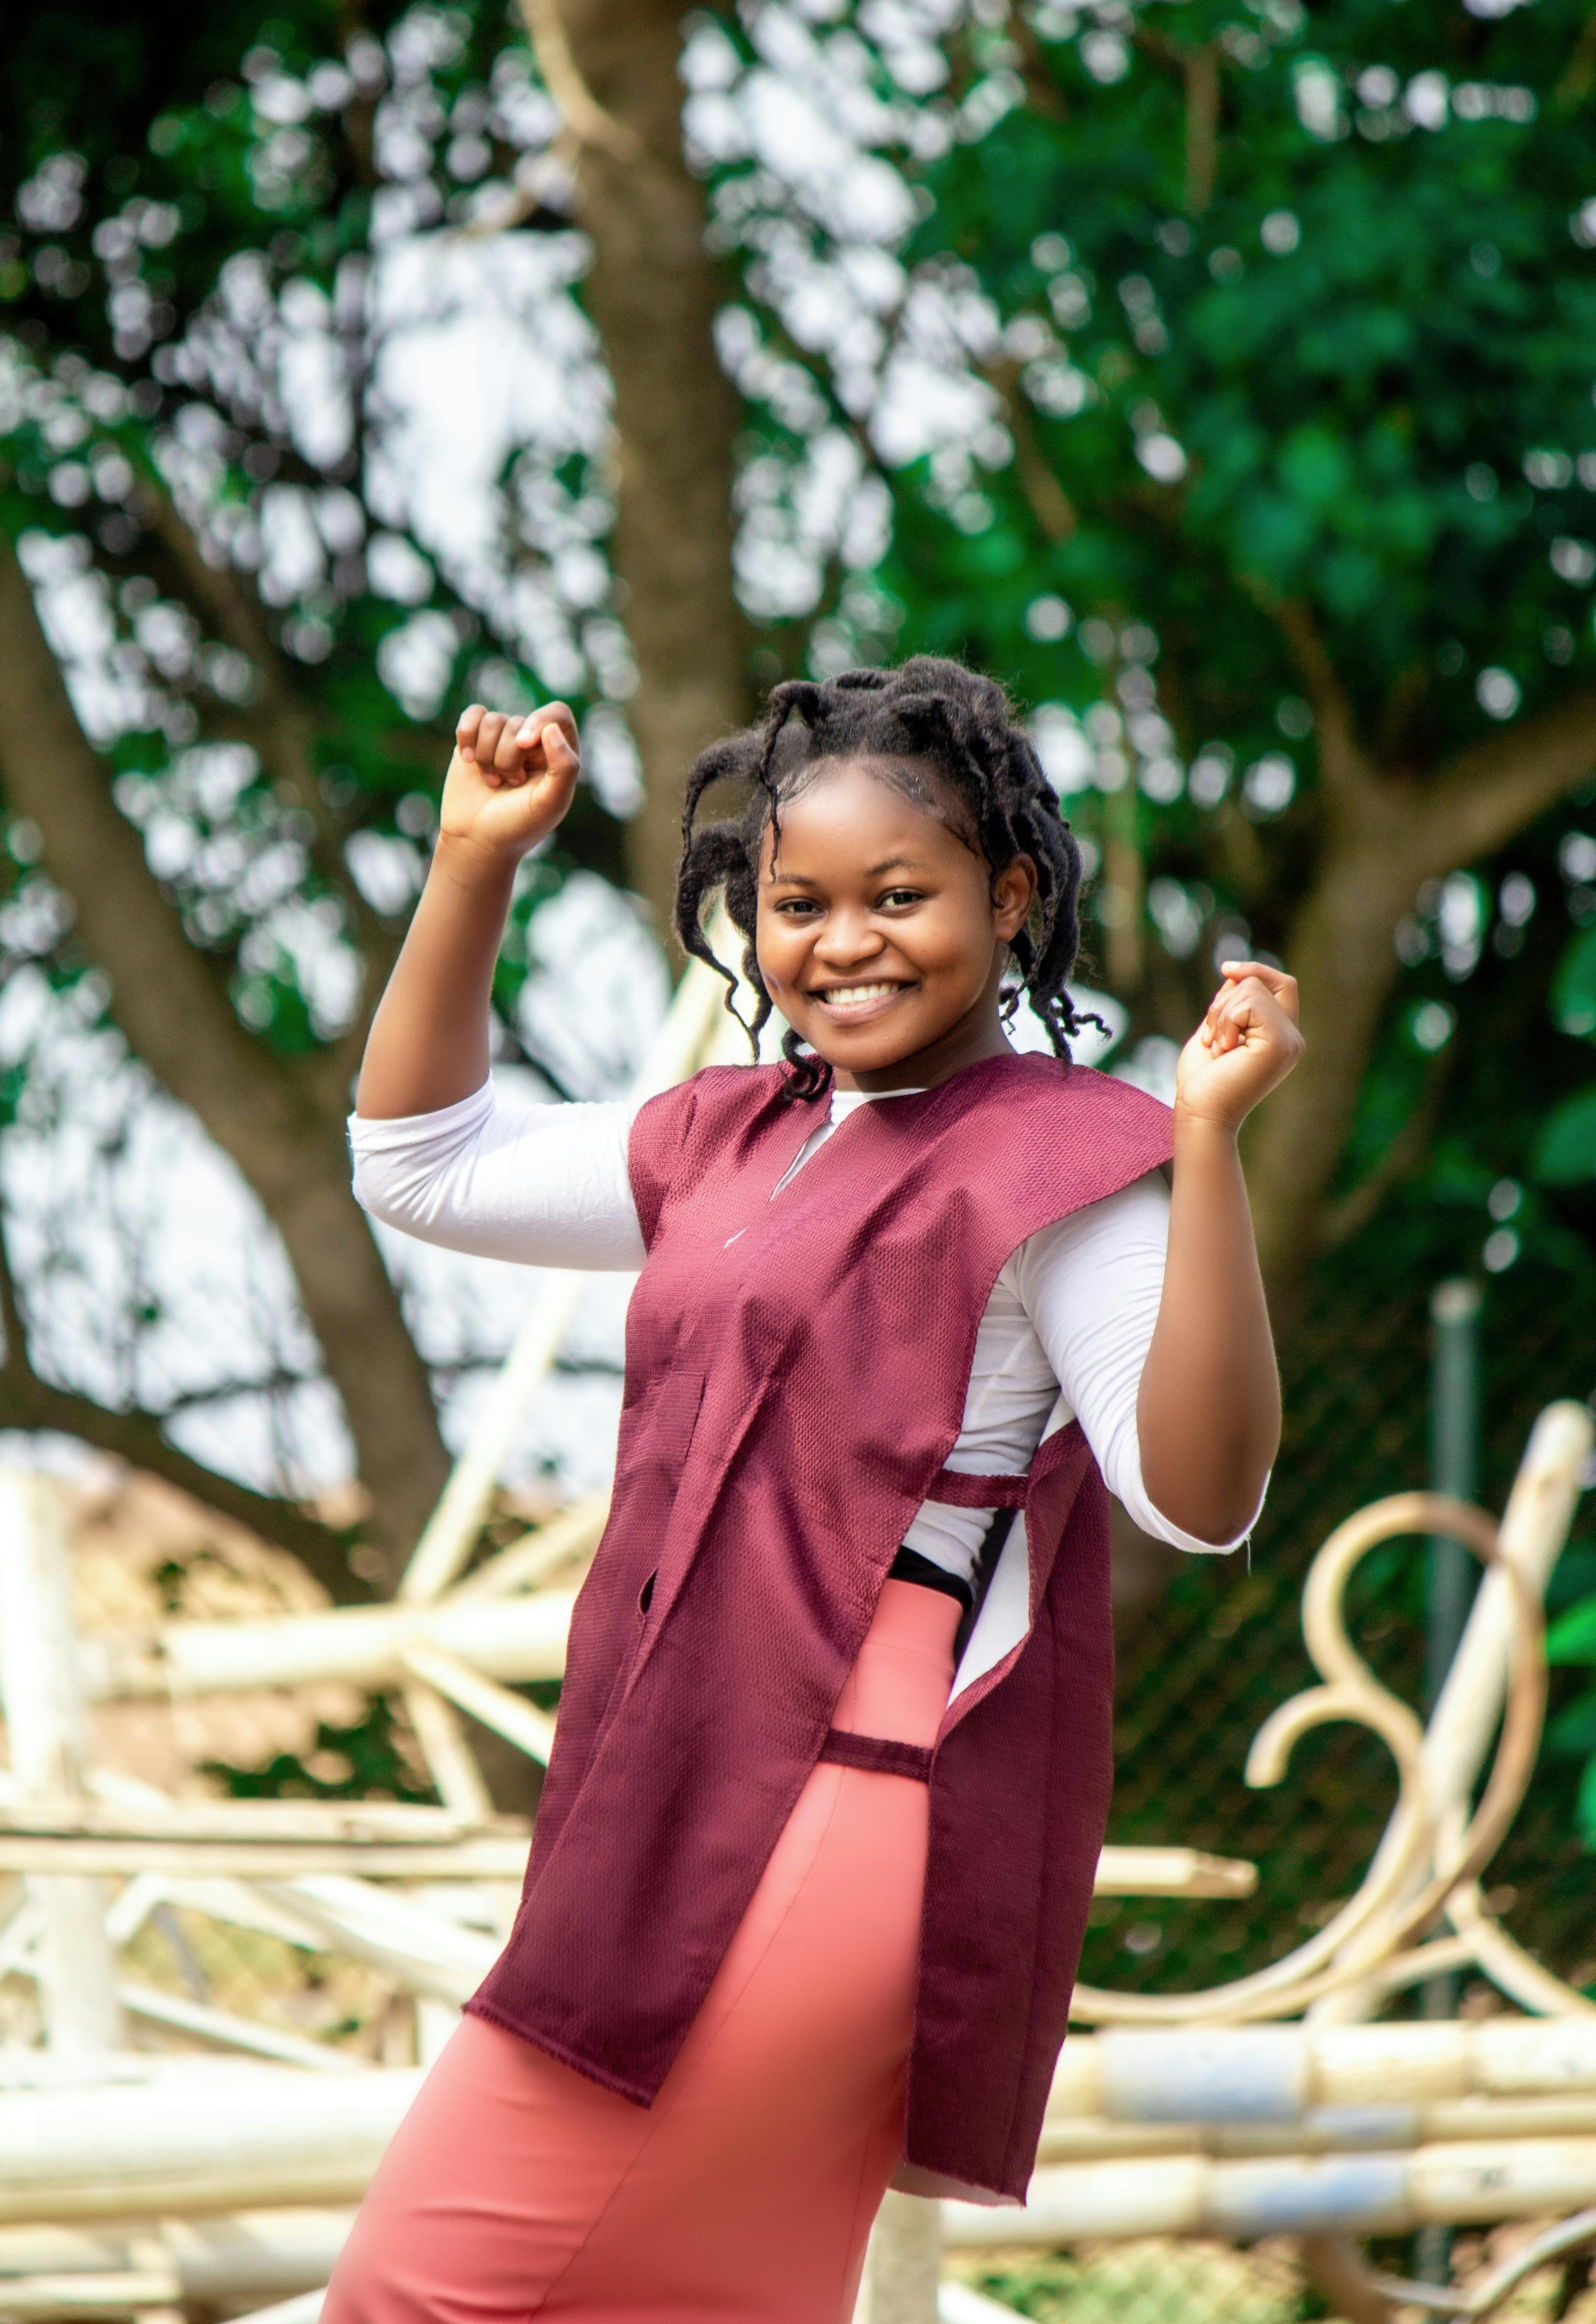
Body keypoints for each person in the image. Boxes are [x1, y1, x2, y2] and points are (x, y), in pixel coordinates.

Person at [326, 657, 1303, 2324]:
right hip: (665, 1790)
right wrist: (475, 862)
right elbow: (422, 1164)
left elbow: (1199, 1499)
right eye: (799, 903)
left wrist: (1202, 1147)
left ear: (1010, 897)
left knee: (411, 2294)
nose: (843, 941)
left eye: (899, 895)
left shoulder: (1067, 1160)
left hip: (825, 1804)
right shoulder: (733, 1134)